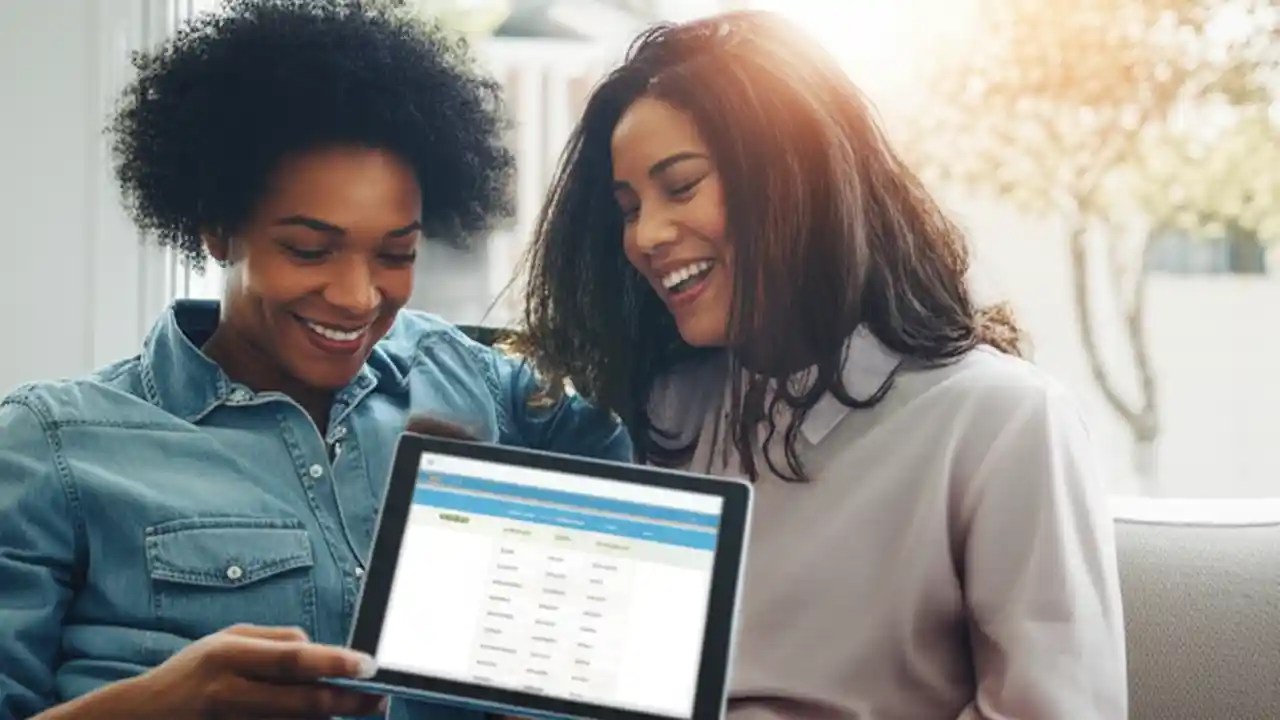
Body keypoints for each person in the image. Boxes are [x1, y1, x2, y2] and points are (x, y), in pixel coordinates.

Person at [0, 1, 628, 719]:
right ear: (217, 225)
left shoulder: (478, 387)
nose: (359, 297)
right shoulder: (53, 447)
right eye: (308, 249)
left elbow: (658, 466)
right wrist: (163, 702)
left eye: (396, 255)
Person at [516, 10, 1128, 719]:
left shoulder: (1002, 422)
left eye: (680, 186)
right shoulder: (664, 412)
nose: (646, 235)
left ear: (792, 179)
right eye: (628, 208)